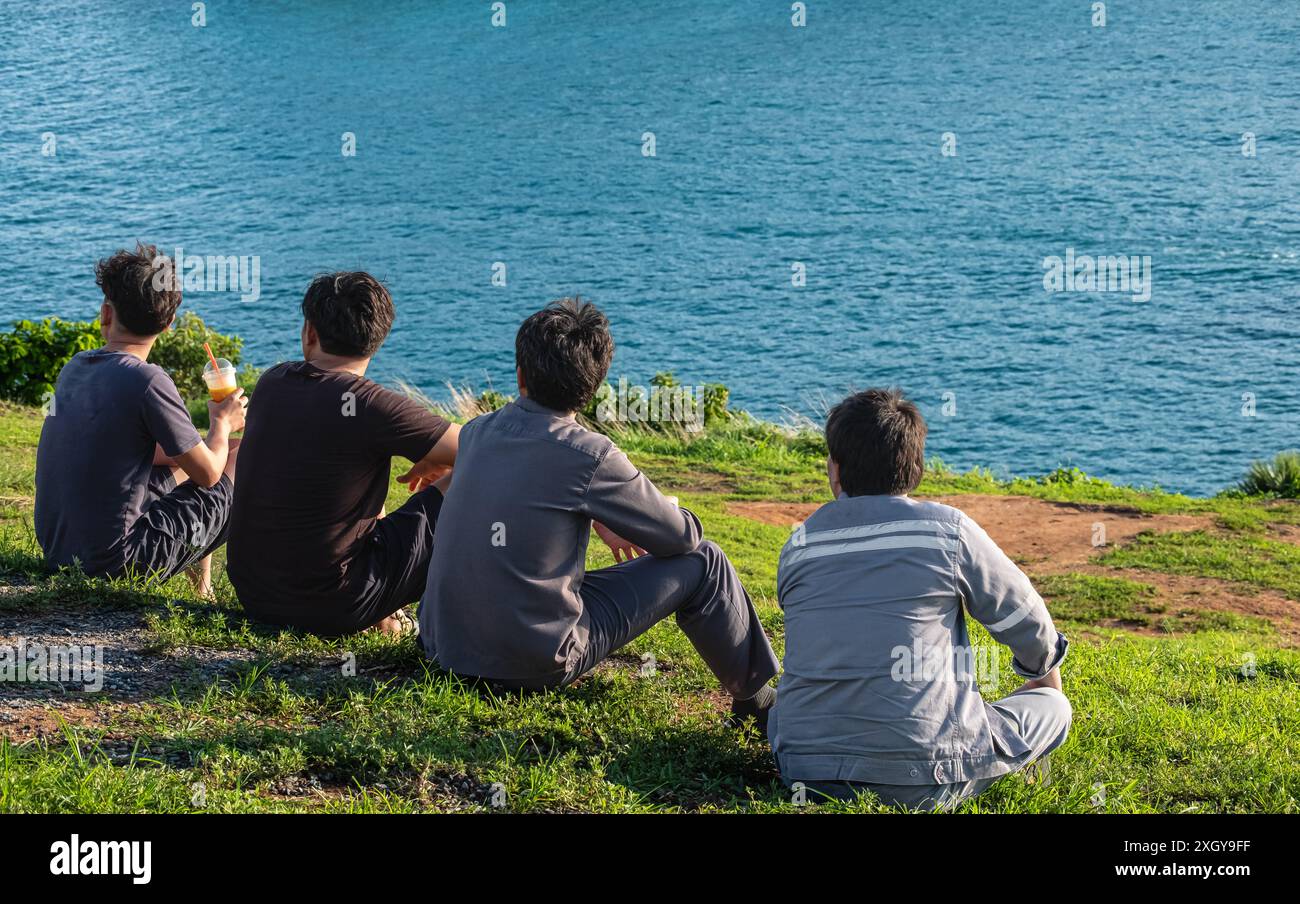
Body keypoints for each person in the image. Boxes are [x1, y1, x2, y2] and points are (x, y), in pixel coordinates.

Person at [419, 298, 779, 724]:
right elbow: (681, 538)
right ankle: (756, 697)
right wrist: (648, 512)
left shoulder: (477, 432)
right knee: (706, 561)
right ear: (593, 388)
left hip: (443, 647)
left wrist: (599, 512)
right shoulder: (590, 454)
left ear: (520, 375)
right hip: (534, 660)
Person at [769, 388, 1072, 810]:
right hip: (923, 779)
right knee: (1052, 705)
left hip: (805, 770)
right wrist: (1043, 675)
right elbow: (1027, 619)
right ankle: (1028, 767)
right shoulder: (949, 532)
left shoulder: (798, 545)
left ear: (834, 470)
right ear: (916, 469)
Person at [226, 272, 459, 635]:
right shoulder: (372, 405)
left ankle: (386, 619)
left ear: (310, 332)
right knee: (464, 477)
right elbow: (482, 451)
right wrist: (440, 461)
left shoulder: (272, 382)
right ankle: (470, 626)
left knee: (355, 477)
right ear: (377, 339)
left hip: (255, 595)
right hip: (333, 605)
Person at [35, 243, 246, 597]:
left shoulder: (74, 368)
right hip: (118, 562)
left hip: (60, 552)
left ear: (105, 314)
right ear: (169, 324)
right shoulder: (148, 380)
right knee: (243, 455)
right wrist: (222, 424)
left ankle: (203, 589)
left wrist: (213, 442)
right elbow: (209, 474)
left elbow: (146, 451)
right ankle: (267, 587)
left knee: (195, 458)